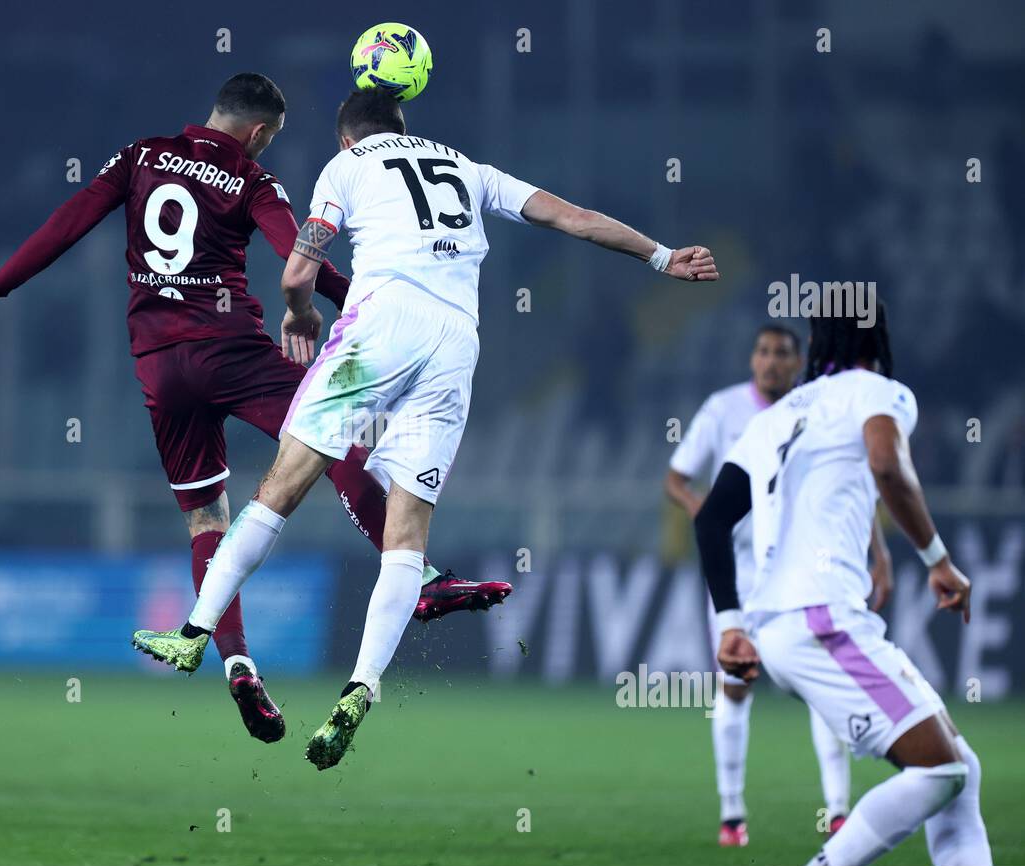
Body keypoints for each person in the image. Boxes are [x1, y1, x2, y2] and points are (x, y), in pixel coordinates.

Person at [137, 88, 720, 770]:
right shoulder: (470, 169)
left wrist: (299, 313)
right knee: (407, 534)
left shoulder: (347, 167)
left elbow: (298, 271)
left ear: (348, 137)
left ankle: (195, 633)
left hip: (381, 322)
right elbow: (576, 219)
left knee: (281, 486)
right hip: (455, 343)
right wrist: (662, 256)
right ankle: (360, 690)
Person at [0, 73, 510, 744]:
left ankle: (237, 663)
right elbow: (299, 257)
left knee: (207, 518)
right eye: (270, 139)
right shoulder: (253, 180)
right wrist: (369, 300)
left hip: (159, 366)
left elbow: (66, 225)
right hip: (233, 352)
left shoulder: (140, 155)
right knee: (332, 444)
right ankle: (424, 578)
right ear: (260, 132)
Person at [695, 303, 992, 865]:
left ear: (815, 343)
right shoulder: (877, 391)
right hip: (822, 619)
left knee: (962, 769)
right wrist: (937, 560)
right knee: (942, 770)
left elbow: (711, 518)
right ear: (878, 340)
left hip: (782, 626)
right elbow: (887, 464)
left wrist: (731, 624)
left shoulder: (773, 418)